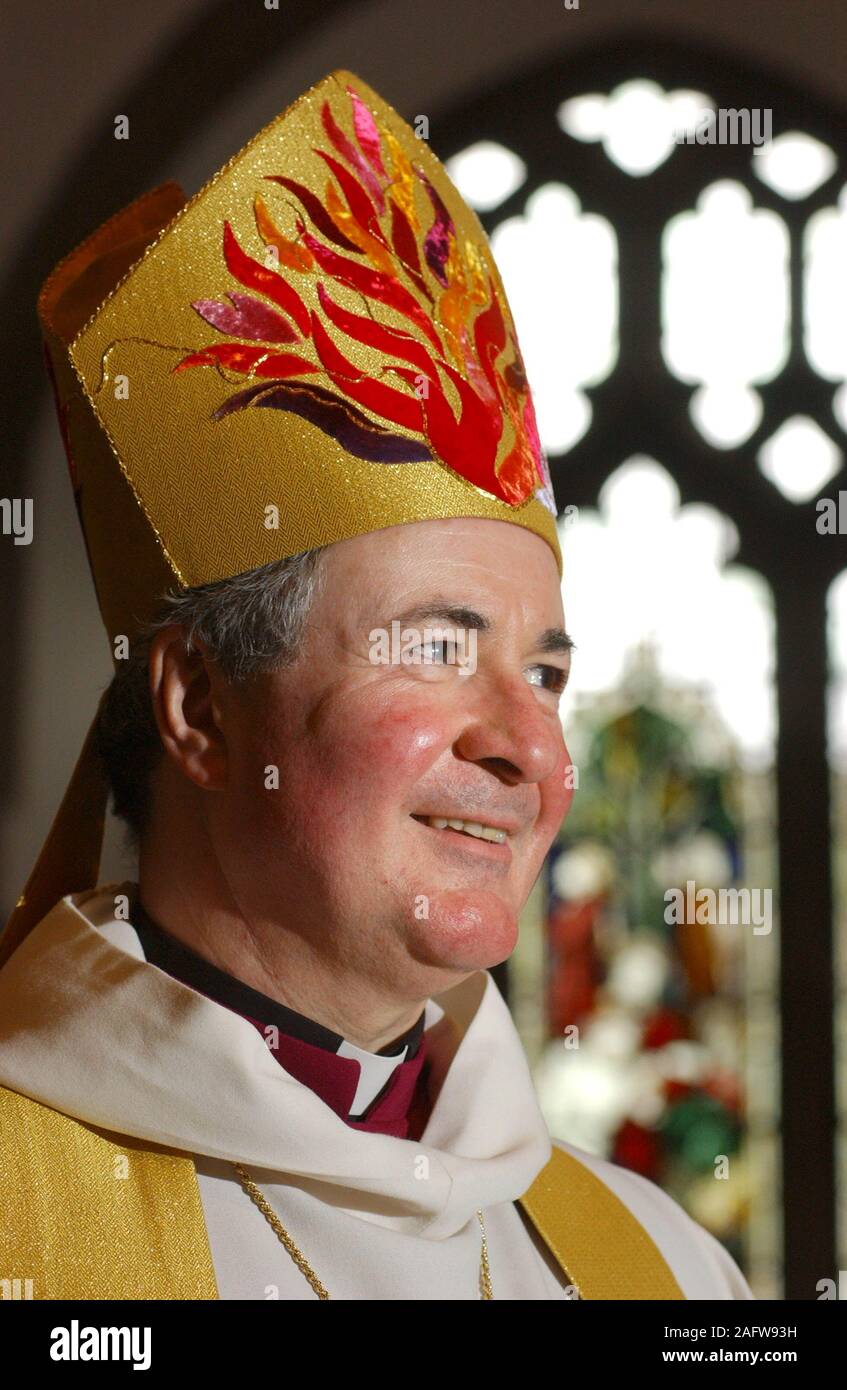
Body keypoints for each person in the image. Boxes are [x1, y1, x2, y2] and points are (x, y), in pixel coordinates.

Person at [0, 68, 752, 1301]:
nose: (532, 750)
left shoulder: (664, 1266)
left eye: (548, 672)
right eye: (438, 646)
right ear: (198, 704)